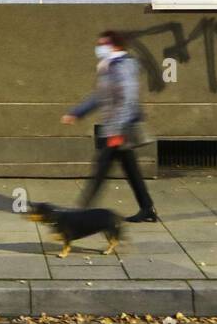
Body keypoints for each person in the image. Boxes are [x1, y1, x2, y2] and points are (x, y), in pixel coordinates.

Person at [62, 30, 158, 222]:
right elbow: (100, 96)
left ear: (115, 45)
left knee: (101, 169)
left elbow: (128, 98)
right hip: (115, 127)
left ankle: (81, 211)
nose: (99, 47)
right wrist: (77, 112)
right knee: (130, 169)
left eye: (102, 43)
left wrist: (118, 130)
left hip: (119, 128)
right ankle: (147, 208)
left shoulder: (124, 65)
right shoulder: (110, 65)